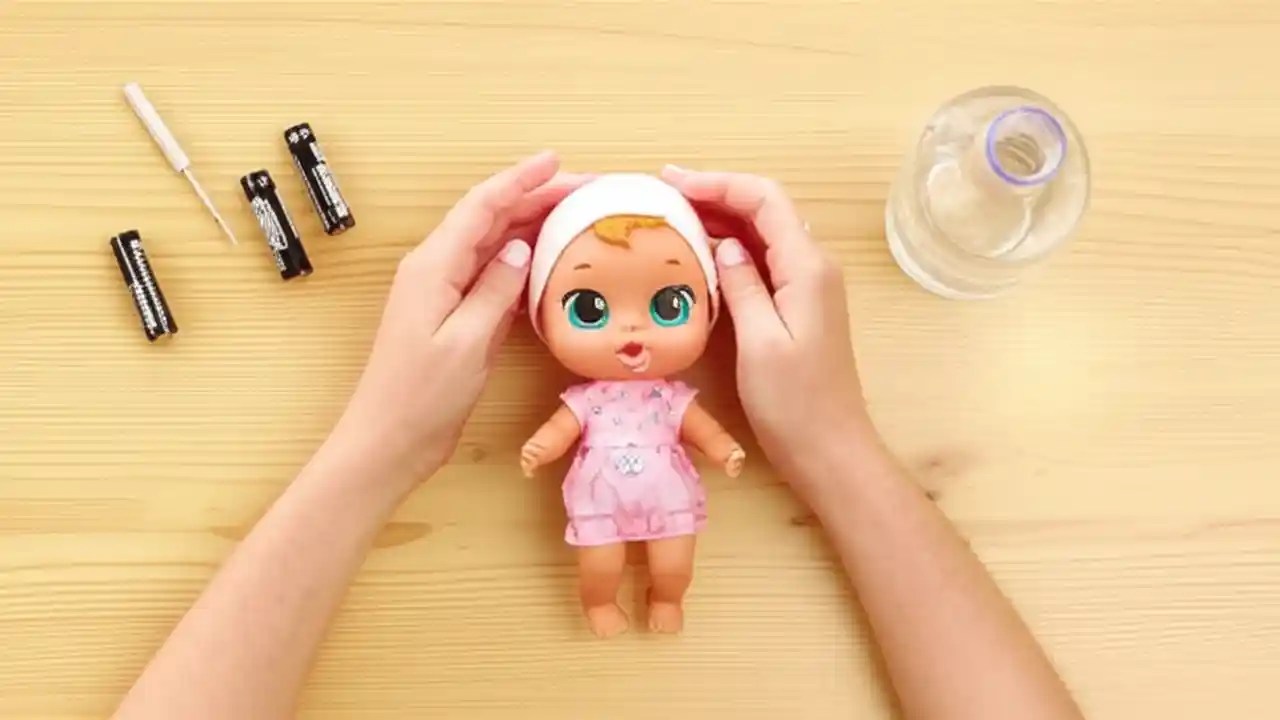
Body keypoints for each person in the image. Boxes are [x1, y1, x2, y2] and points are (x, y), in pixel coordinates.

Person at [112, 152, 1084, 720]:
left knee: (666, 563)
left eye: (666, 301)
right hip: (592, 508)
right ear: (534, 321)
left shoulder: (668, 404)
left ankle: (655, 601)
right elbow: (557, 427)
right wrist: (505, 448)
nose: (630, 330)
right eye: (590, 305)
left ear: (712, 303)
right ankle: (616, 604)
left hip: (664, 506)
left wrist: (780, 445)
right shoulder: (586, 403)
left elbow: (699, 421)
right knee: (594, 571)